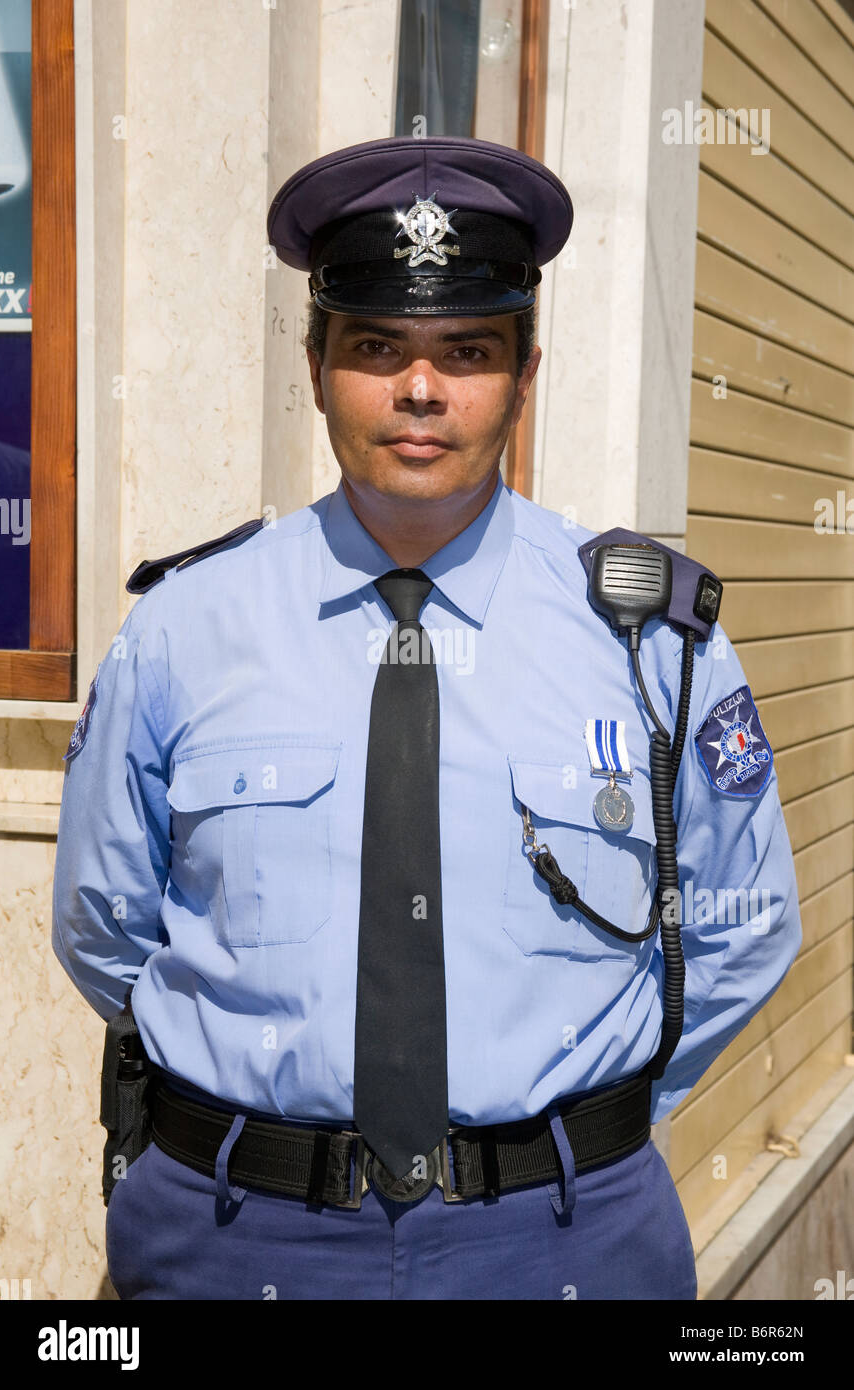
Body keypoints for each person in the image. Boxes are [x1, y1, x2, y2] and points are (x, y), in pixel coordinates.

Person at [52, 135, 802, 1301]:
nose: (419, 389)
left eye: (465, 350)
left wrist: (571, 1122)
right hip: (237, 1235)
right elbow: (104, 925)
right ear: (313, 365)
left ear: (523, 371)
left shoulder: (655, 642)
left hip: (565, 1241)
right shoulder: (182, 629)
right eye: (375, 346)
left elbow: (740, 928)